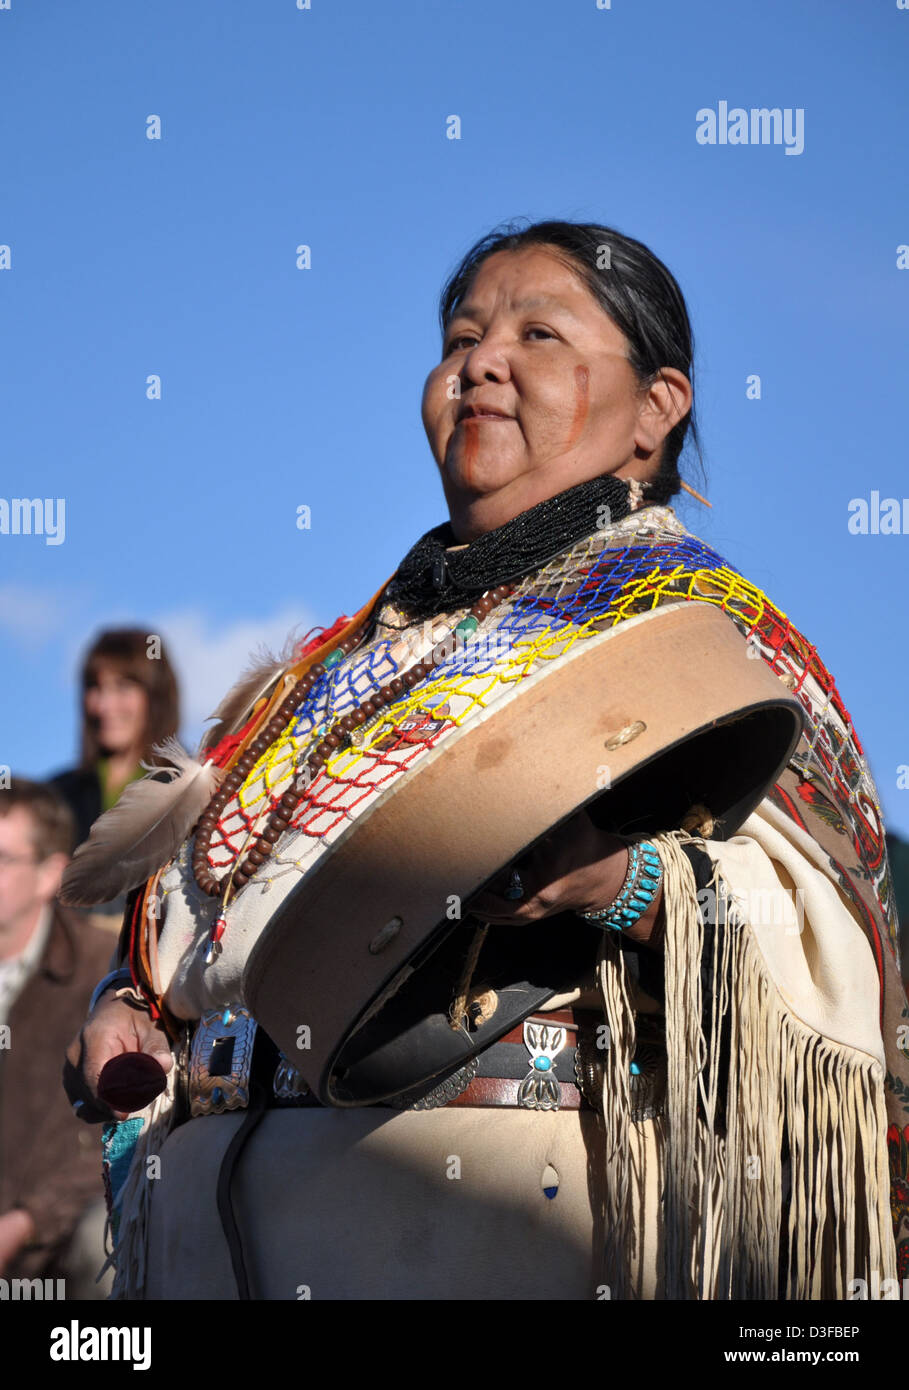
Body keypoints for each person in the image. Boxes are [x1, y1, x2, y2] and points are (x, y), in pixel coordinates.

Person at [63, 219, 908, 1300]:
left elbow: (832, 928)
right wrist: (123, 1000)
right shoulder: (317, 672)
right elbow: (178, 919)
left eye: (540, 331)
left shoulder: (708, 635)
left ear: (658, 407)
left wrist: (628, 880)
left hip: (505, 1234)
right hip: (204, 1246)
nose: (482, 360)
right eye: (462, 334)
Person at [0, 779, 114, 1295]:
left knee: (103, 1242)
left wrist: (26, 1221)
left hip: (54, 1256)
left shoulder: (107, 978)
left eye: (2, 859)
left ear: (50, 874)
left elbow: (115, 1135)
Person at [51, 628, 180, 933]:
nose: (103, 706)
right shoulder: (57, 794)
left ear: (156, 695)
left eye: (123, 687)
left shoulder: (187, 789)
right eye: (95, 688)